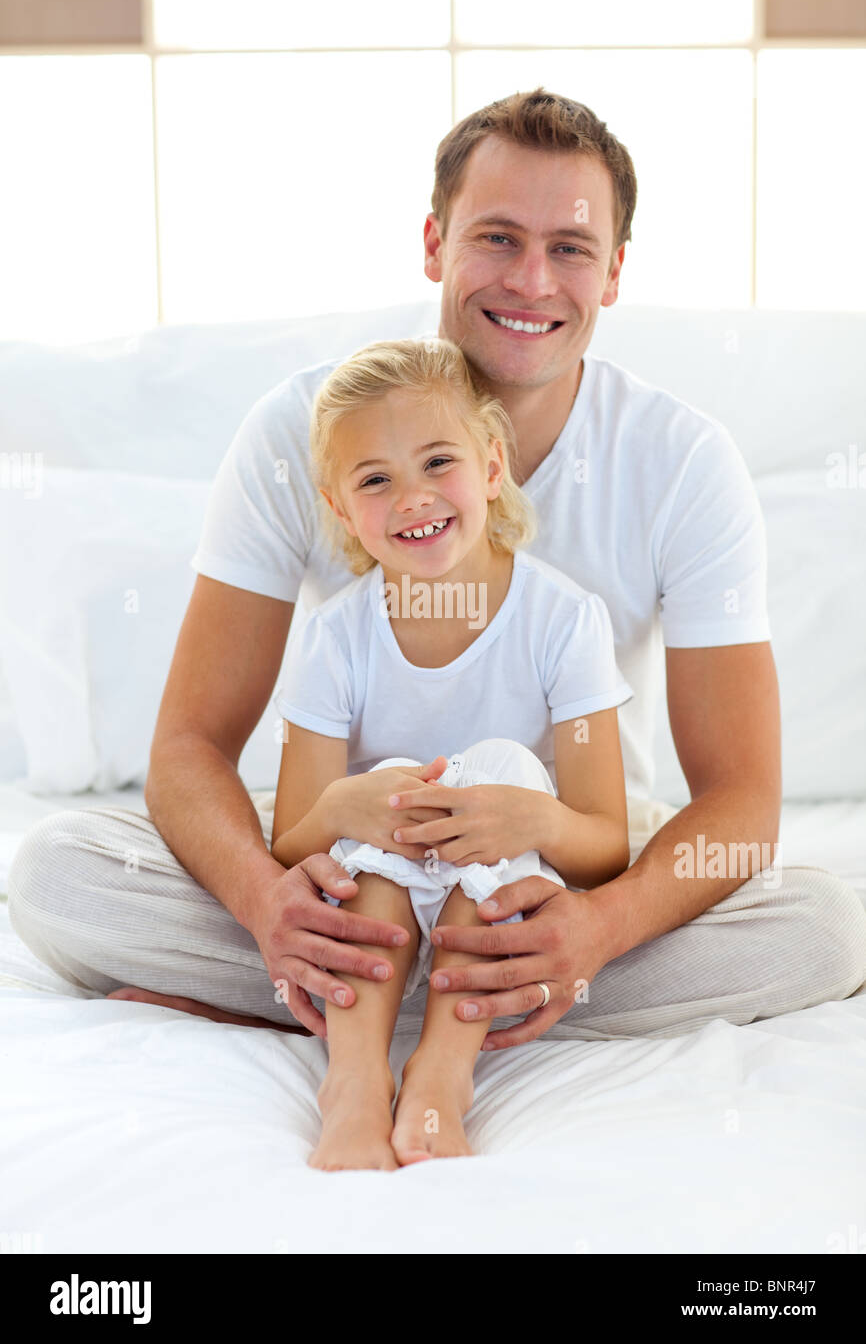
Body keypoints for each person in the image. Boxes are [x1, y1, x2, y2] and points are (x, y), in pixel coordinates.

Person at [8, 88, 866, 1070]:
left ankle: (365, 1005)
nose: (532, 279)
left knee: (822, 926)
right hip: (340, 887)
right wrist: (267, 905)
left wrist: (596, 932)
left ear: (613, 272)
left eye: (570, 249)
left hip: (557, 898)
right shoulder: (302, 434)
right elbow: (190, 745)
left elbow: (741, 801)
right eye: (496, 238)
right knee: (56, 873)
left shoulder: (680, 462)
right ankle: (386, 988)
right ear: (433, 244)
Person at [272, 336, 632, 1168]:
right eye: (374, 480)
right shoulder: (335, 638)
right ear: (340, 509)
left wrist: (527, 814)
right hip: (376, 908)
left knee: (504, 762)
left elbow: (607, 843)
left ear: (493, 465)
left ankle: (441, 1070)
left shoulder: (563, 620)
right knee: (389, 784)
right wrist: (343, 808)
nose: (413, 498)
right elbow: (290, 847)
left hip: (502, 911)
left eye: (439, 461)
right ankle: (356, 1079)